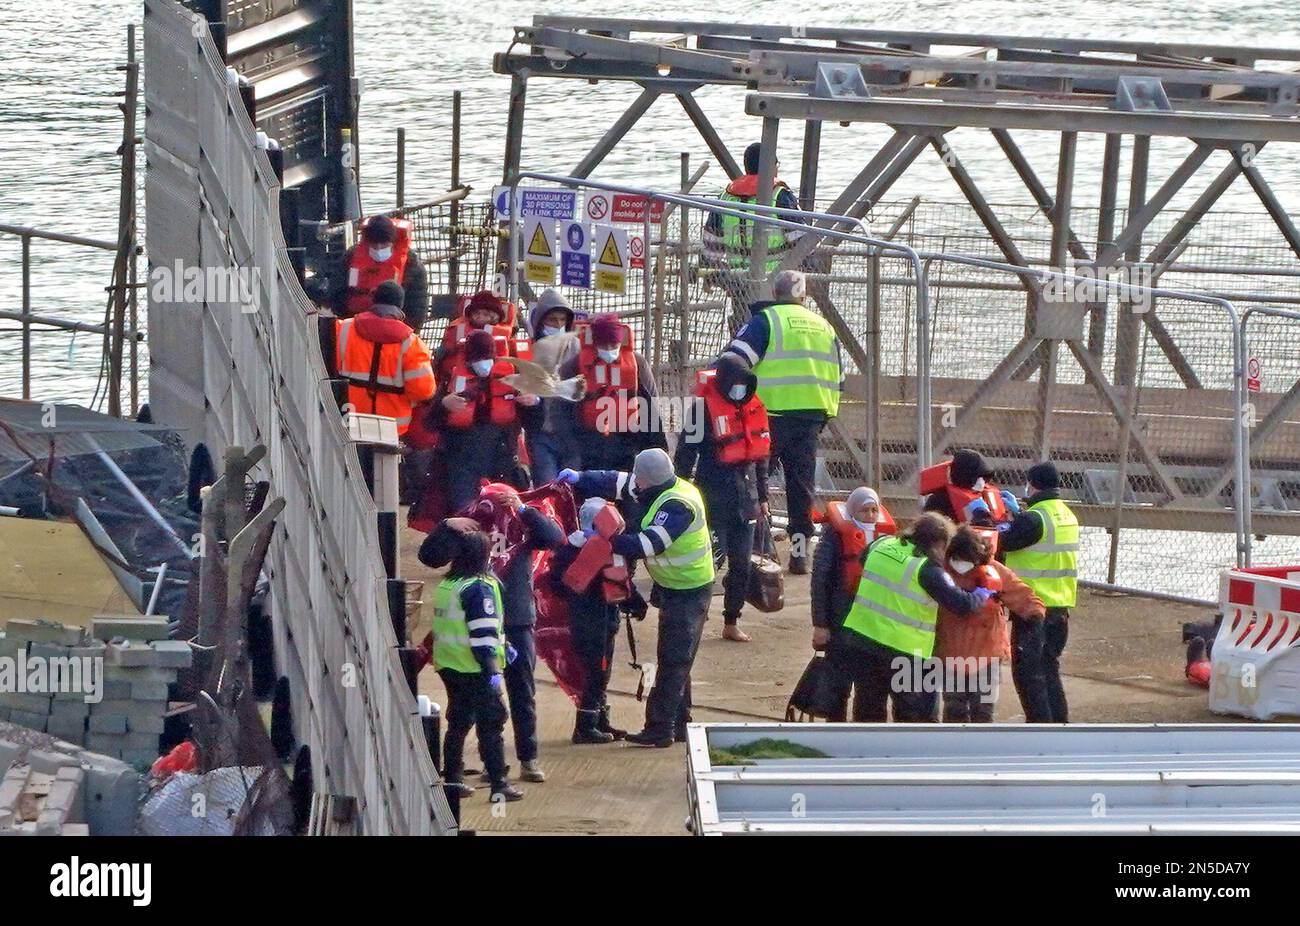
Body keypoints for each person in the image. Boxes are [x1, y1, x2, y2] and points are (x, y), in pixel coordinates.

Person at [557, 448, 714, 747]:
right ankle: (679, 723)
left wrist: (604, 541)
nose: (634, 486)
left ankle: (660, 728)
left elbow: (649, 544)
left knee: (674, 659)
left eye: (638, 480)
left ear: (648, 481)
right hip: (673, 587)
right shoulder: (660, 484)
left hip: (689, 590)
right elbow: (615, 481)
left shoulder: (678, 505)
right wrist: (580, 479)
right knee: (677, 658)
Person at [724, 270, 842, 574]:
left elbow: (735, 360)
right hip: (812, 418)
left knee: (752, 483)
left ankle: (752, 549)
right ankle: (800, 555)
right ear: (804, 297)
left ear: (775, 294)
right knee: (801, 488)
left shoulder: (767, 321)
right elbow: (839, 380)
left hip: (769, 417)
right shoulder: (824, 327)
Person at [831, 512, 992, 722]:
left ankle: (868, 751)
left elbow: (863, 562)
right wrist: (983, 593)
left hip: (862, 641)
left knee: (868, 708)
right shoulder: (926, 569)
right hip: (903, 651)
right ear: (939, 543)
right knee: (912, 715)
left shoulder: (880, 544)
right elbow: (962, 604)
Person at [462, 483, 564, 782]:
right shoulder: (472, 531)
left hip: (517, 622)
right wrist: (453, 522)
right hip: (485, 624)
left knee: (522, 692)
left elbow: (554, 537)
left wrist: (521, 508)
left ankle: (528, 758)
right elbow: (433, 554)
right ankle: (491, 761)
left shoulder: (523, 529)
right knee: (488, 693)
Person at [418, 519, 522, 803]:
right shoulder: (479, 588)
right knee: (492, 723)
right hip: (475, 668)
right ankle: (499, 783)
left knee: (458, 722)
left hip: (449, 667)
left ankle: (453, 779)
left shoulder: (449, 585)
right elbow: (483, 633)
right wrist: (493, 670)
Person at [674, 355, 770, 642]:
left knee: (741, 564)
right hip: (712, 497)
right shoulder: (701, 411)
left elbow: (761, 457)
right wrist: (679, 492)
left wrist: (763, 497)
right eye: (735, 383)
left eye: (744, 383)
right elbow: (685, 455)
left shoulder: (753, 408)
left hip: (747, 500)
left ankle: (731, 620)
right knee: (710, 562)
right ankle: (696, 613)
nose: (739, 388)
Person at [935, 526, 1044, 723]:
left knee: (983, 710)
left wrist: (1035, 617)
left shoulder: (994, 571)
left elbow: (1023, 596)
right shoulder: (938, 571)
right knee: (954, 707)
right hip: (951, 653)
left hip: (986, 652)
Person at [1002, 461, 1079, 723]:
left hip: (1033, 611)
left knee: (1028, 674)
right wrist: (1018, 516)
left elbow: (1005, 543)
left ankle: (1039, 729)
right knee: (1049, 669)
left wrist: (1007, 518)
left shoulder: (1035, 518)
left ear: (1032, 485)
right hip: (1060, 610)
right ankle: (1060, 724)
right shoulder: (1066, 514)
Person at [429, 329, 539, 512]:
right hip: (462, 459)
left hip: (502, 458)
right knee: (464, 512)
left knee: (505, 515)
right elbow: (430, 421)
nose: (483, 364)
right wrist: (443, 404)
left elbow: (534, 422)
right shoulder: (452, 379)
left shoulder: (512, 378)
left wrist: (534, 402)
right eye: (478, 358)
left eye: (487, 357)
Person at [548, 497, 630, 744]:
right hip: (591, 623)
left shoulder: (575, 548)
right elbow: (563, 585)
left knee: (601, 674)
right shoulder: (581, 550)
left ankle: (599, 721)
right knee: (594, 674)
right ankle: (585, 726)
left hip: (604, 620)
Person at [810, 486, 892, 720]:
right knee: (838, 685)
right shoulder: (833, 536)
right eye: (865, 510)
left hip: (872, 626)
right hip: (840, 621)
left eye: (874, 510)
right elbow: (819, 580)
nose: (870, 515)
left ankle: (867, 734)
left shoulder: (886, 537)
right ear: (853, 510)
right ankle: (835, 729)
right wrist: (820, 624)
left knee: (872, 688)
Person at [559, 314, 666, 472]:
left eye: (613, 345)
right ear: (595, 344)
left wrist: (656, 448)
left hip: (628, 445)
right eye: (604, 346)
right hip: (588, 447)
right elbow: (562, 410)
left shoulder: (637, 364)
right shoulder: (573, 366)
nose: (609, 351)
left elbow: (651, 404)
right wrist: (571, 452)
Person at [333, 280, 435, 436]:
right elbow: (423, 391)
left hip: (346, 419)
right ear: (400, 306)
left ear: (374, 300)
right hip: (389, 428)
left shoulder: (342, 328)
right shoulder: (412, 343)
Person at [702, 141, 802, 276]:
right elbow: (802, 241)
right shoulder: (780, 196)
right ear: (771, 167)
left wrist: (715, 277)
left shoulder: (724, 197)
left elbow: (711, 247)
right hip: (776, 280)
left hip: (737, 279)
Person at [332, 214, 429, 330]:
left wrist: (408, 331)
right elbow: (338, 293)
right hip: (355, 325)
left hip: (395, 328)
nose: (379, 248)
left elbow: (418, 306)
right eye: (374, 244)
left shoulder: (412, 266)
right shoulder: (350, 258)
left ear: (393, 242)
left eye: (384, 244)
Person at [526, 289, 583, 486]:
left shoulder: (577, 348)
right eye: (552, 320)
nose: (558, 325)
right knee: (547, 489)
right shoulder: (530, 349)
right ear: (541, 321)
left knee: (571, 489)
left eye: (562, 320)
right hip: (541, 432)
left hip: (571, 433)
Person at [922, 449, 1015, 528]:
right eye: (977, 477)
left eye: (985, 478)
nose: (982, 482)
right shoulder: (939, 500)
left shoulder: (984, 496)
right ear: (965, 476)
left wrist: (1015, 514)